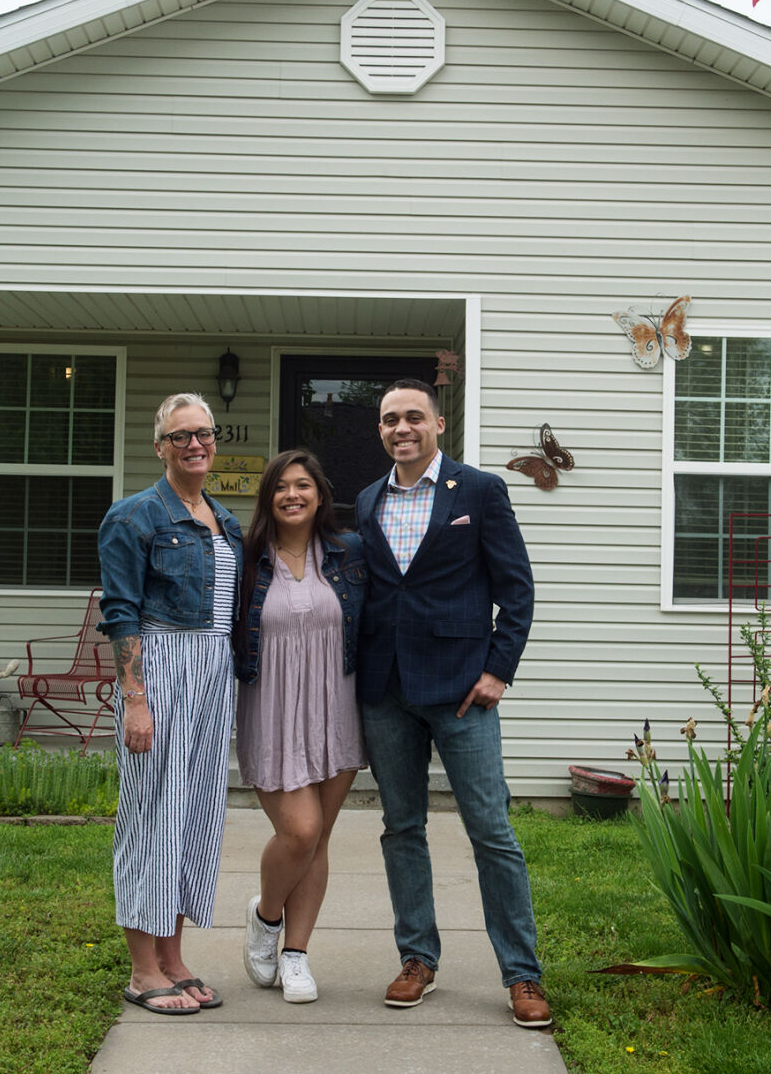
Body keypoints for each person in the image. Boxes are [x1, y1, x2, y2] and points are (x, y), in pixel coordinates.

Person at [354, 378, 551, 1029]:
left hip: (464, 689)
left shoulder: (479, 491)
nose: (401, 427)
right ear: (380, 430)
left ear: (438, 424)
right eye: (389, 419)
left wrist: (498, 670)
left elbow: (516, 589)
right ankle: (417, 958)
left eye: (413, 416)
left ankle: (521, 975)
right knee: (401, 826)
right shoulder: (365, 500)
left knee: (490, 831)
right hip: (386, 691)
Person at [96, 392, 243, 1017]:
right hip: (160, 669)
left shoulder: (225, 519)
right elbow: (121, 613)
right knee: (150, 815)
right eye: (180, 436)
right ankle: (141, 968)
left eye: (203, 434)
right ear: (160, 447)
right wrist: (135, 698)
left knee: (194, 816)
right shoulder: (133, 517)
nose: (194, 445)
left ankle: (174, 957)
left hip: (213, 673)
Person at [233, 450, 368, 1004]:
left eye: (304, 485)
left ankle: (296, 955)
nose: (293, 494)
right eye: (282, 486)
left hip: (336, 709)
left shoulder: (349, 553)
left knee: (320, 839)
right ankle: (265, 918)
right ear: (269, 497)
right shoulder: (245, 560)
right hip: (271, 711)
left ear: (320, 494)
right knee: (301, 831)